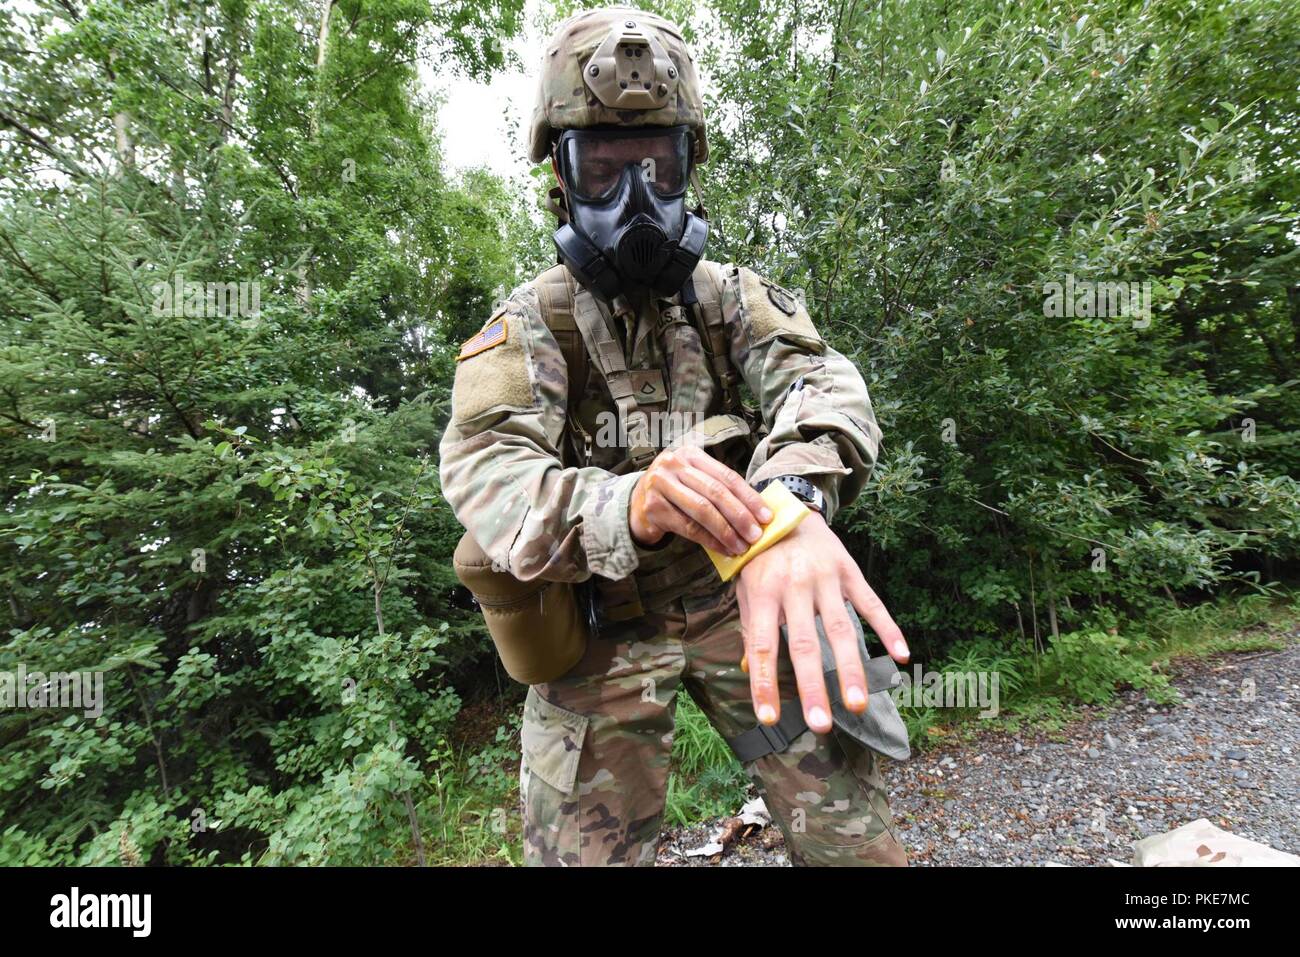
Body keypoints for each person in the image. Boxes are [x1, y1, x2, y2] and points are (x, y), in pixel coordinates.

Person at [439, 6, 911, 867]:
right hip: (601, 624)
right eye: (605, 170)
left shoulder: (729, 297)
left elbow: (826, 385)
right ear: (561, 181)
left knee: (855, 844)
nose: (637, 201)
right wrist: (629, 503)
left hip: (744, 591)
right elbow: (487, 471)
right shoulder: (529, 326)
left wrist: (792, 498)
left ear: (689, 167)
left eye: (658, 166)